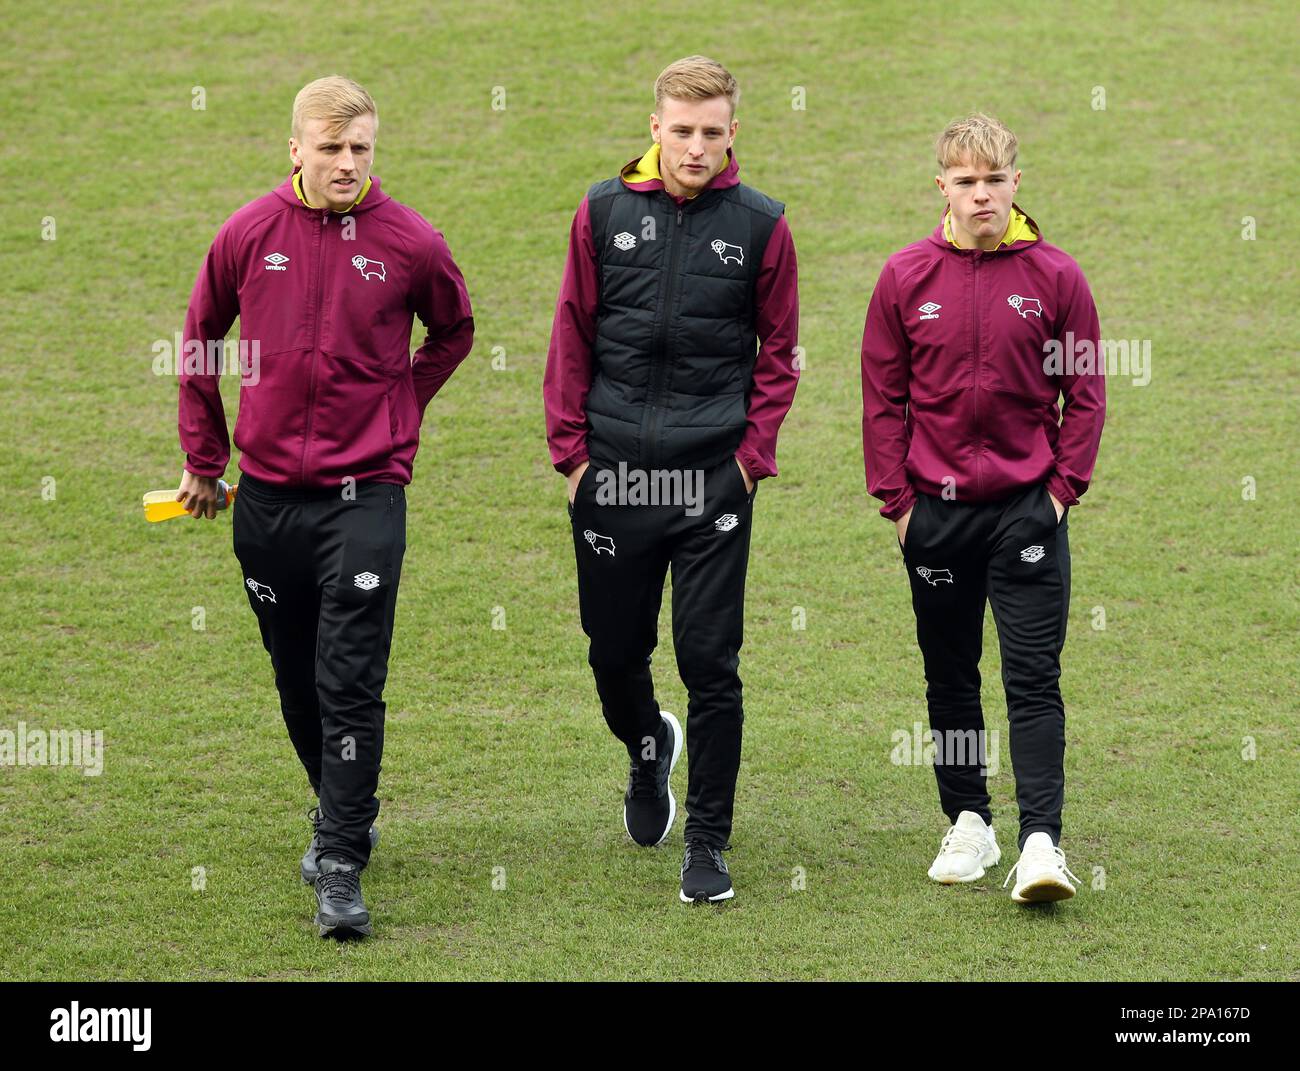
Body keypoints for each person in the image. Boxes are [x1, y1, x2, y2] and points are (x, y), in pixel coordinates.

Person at [176, 75, 474, 936]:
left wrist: (401, 403)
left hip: (365, 496)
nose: (349, 164)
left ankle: (341, 862)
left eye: (362, 149)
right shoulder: (248, 232)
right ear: (296, 149)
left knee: (349, 679)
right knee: (296, 675)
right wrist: (205, 455)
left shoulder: (411, 241)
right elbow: (200, 336)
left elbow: (453, 330)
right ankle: (340, 805)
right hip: (266, 498)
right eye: (333, 148)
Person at [544, 55, 799, 903]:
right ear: (654, 128)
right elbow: (571, 334)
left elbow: (780, 356)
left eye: (713, 133)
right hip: (611, 477)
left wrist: (748, 463)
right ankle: (648, 747)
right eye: (682, 130)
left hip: (709, 486)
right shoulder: (602, 210)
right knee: (614, 654)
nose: (697, 147)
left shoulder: (763, 226)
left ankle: (709, 844)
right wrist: (573, 458)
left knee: (710, 661)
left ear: (735, 135)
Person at [860, 113, 1104, 903]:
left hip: (1027, 514)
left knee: (1033, 678)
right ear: (943, 188)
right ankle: (969, 819)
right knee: (951, 677)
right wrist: (899, 505)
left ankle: (1041, 841)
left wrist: (1061, 494)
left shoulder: (1058, 277)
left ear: (1015, 185)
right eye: (965, 182)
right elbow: (881, 400)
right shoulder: (905, 277)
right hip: (935, 517)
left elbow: (1087, 395)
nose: (981, 196)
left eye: (995, 180)